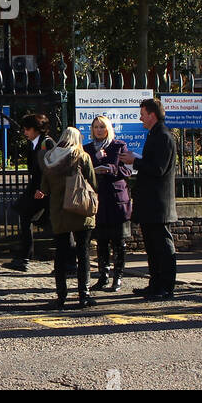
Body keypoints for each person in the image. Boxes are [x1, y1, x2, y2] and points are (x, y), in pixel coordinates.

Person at [121, 98, 178, 301]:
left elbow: (158, 168)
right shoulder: (155, 134)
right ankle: (155, 284)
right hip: (150, 203)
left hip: (159, 203)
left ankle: (166, 286)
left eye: (143, 114)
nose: (140, 118)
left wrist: (134, 160)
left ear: (152, 115)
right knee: (152, 247)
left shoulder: (163, 136)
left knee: (162, 246)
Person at [40, 127, 98, 309]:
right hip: (80, 209)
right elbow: (93, 182)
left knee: (61, 254)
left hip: (59, 211)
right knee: (83, 253)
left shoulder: (49, 159)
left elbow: (44, 188)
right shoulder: (82, 156)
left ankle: (61, 295)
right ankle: (84, 294)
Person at [84, 115, 132, 292]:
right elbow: (83, 170)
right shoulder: (87, 149)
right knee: (102, 241)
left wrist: (110, 168)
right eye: (96, 127)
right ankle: (103, 276)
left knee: (118, 241)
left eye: (102, 127)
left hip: (117, 199)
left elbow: (128, 169)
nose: (98, 130)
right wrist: (96, 159)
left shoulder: (119, 146)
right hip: (99, 200)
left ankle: (117, 278)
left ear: (108, 128)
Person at [4, 113, 55, 272]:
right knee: (26, 217)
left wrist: (43, 188)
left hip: (44, 190)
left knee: (56, 224)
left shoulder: (47, 144)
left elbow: (49, 169)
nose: (25, 131)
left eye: (27, 128)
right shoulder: (33, 144)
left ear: (37, 129)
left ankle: (69, 260)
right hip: (35, 189)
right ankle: (24, 257)